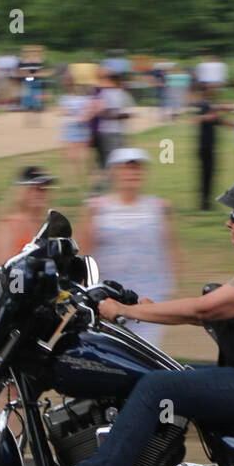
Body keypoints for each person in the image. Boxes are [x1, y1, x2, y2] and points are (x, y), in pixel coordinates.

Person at [31, 174, 234, 466]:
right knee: (164, 374)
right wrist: (143, 309)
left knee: (156, 388)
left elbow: (203, 310)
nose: (228, 222)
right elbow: (214, 313)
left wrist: (126, 310)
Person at [80, 148, 176, 346]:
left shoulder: (157, 208)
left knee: (144, 354)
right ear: (114, 173)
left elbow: (169, 250)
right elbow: (85, 254)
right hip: (107, 301)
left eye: (136, 169)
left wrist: (168, 288)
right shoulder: (98, 208)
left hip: (147, 300)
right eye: (126, 169)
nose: (131, 174)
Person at [0, 166, 55, 265]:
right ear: (22, 191)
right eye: (34, 188)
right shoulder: (9, 228)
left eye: (43, 188)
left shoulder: (44, 227)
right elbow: (2, 272)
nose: (40, 193)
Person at [194, 82, 223, 211]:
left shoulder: (209, 105)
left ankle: (206, 202)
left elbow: (217, 121)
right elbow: (204, 118)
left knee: (210, 175)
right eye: (210, 90)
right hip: (205, 146)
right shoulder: (203, 105)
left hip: (209, 146)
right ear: (205, 92)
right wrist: (217, 110)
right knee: (206, 176)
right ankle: (204, 204)